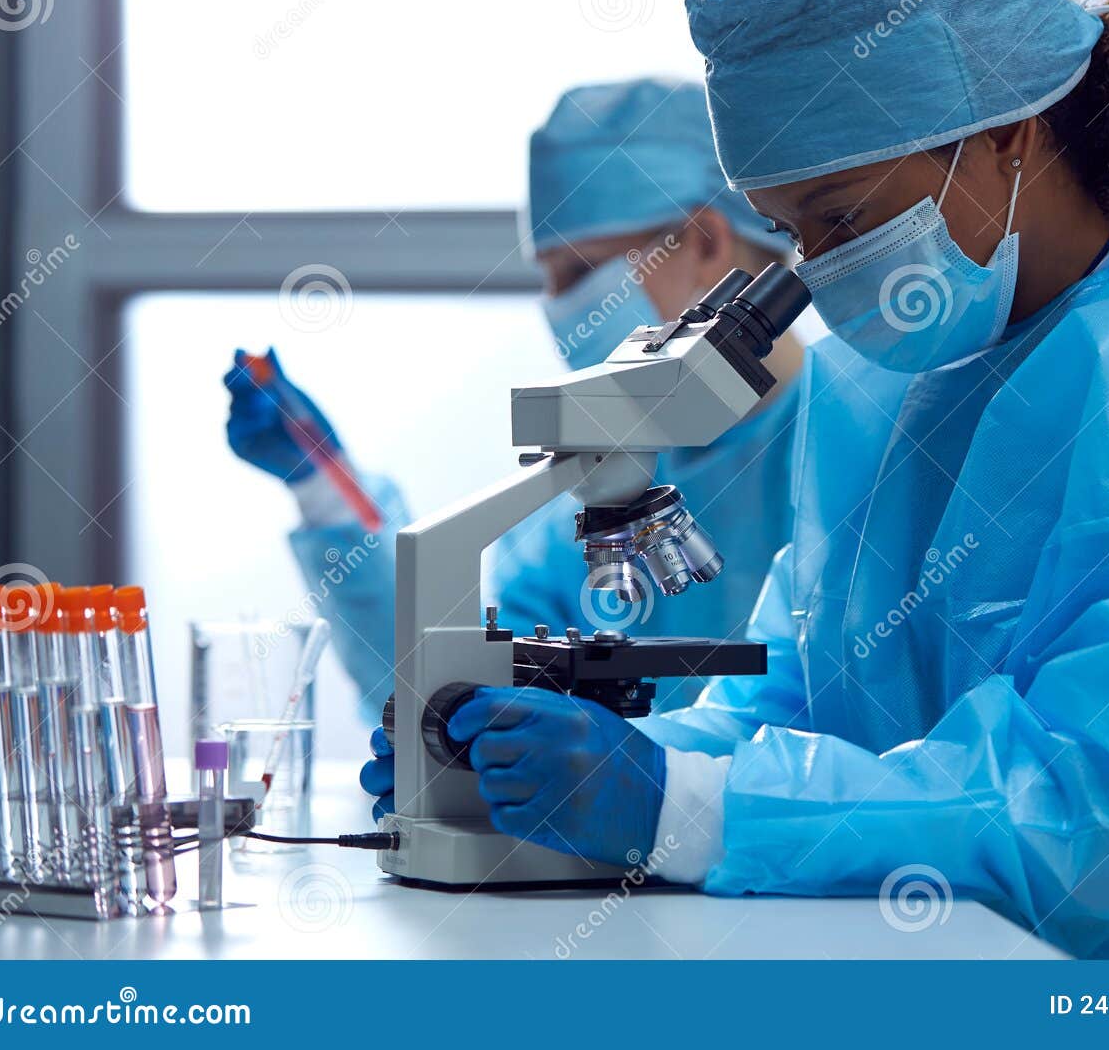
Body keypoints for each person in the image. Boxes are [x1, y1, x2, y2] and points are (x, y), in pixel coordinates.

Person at [369, 0, 1109, 960]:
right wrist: (557, 776)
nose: (818, 269)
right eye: (788, 229)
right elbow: (788, 708)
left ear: (1007, 135)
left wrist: (679, 805)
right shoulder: (879, 391)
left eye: (844, 216)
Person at [227, 79, 803, 733]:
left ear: (702, 243)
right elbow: (454, 694)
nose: (559, 309)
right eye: (548, 280)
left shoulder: (862, 451)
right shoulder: (601, 476)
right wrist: (324, 489)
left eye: (582, 273)